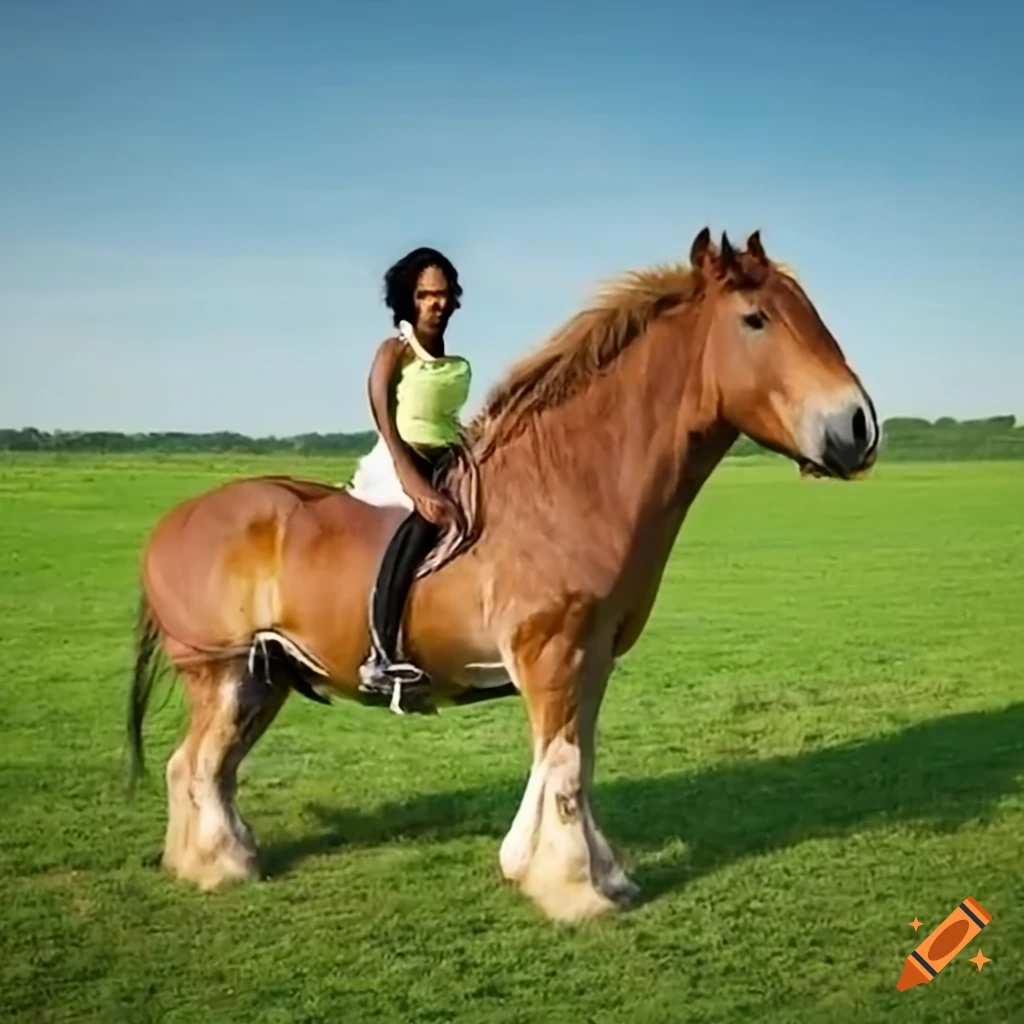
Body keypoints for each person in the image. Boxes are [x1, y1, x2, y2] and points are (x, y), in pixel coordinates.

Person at [356, 247, 472, 714]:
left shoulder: (449, 356)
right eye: (426, 295)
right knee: (423, 526)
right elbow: (380, 406)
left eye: (443, 295)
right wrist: (412, 481)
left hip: (449, 458)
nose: (436, 304)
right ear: (410, 299)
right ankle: (380, 655)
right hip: (405, 457)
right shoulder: (397, 350)